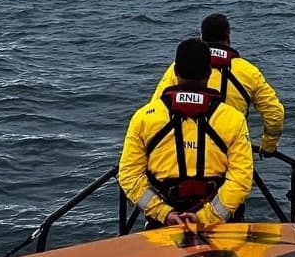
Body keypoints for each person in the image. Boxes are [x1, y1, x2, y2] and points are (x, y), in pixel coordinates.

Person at [119, 38, 253, 229]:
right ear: (209, 73)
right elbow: (241, 179)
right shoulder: (234, 119)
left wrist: (164, 213)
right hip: (221, 228)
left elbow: (129, 176)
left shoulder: (143, 118)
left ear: (175, 72)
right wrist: (206, 216)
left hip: (163, 226)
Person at [152, 14, 284, 157]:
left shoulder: (178, 68)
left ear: (201, 37)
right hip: (231, 152)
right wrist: (268, 146)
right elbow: (275, 113)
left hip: (183, 153)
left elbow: (155, 110)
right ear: (228, 36)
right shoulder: (248, 71)